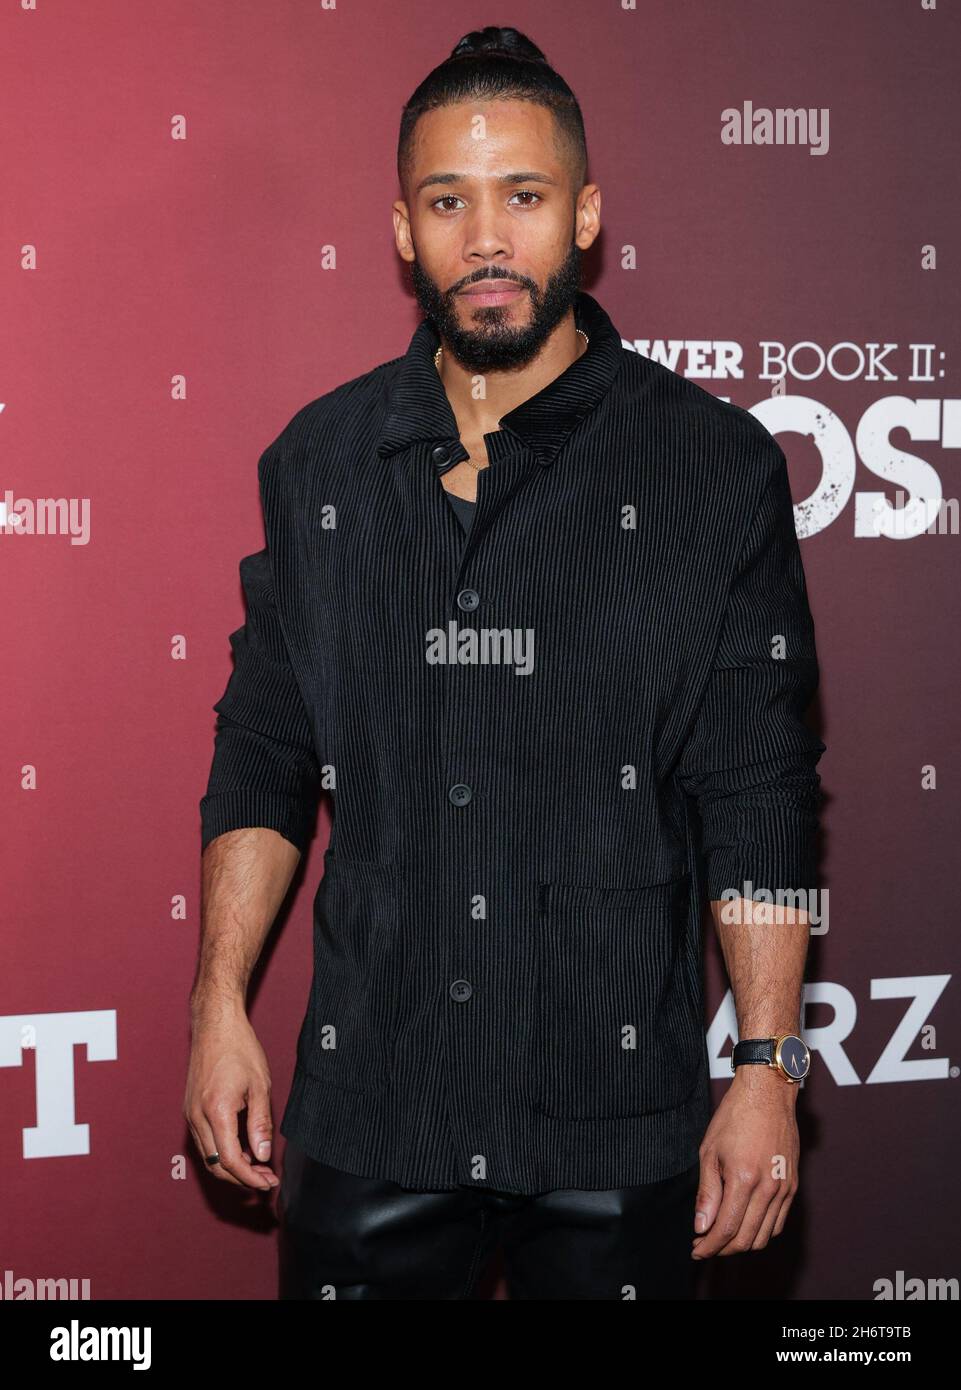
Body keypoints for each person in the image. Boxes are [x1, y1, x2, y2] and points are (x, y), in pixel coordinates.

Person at [185, 26, 826, 1300]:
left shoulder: (710, 468)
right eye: (448, 201)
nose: (486, 238)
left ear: (584, 216)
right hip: (373, 1100)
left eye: (522, 196)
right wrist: (218, 1005)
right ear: (402, 231)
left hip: (614, 1113)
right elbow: (261, 748)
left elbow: (760, 785)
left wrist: (766, 1064)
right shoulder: (318, 466)